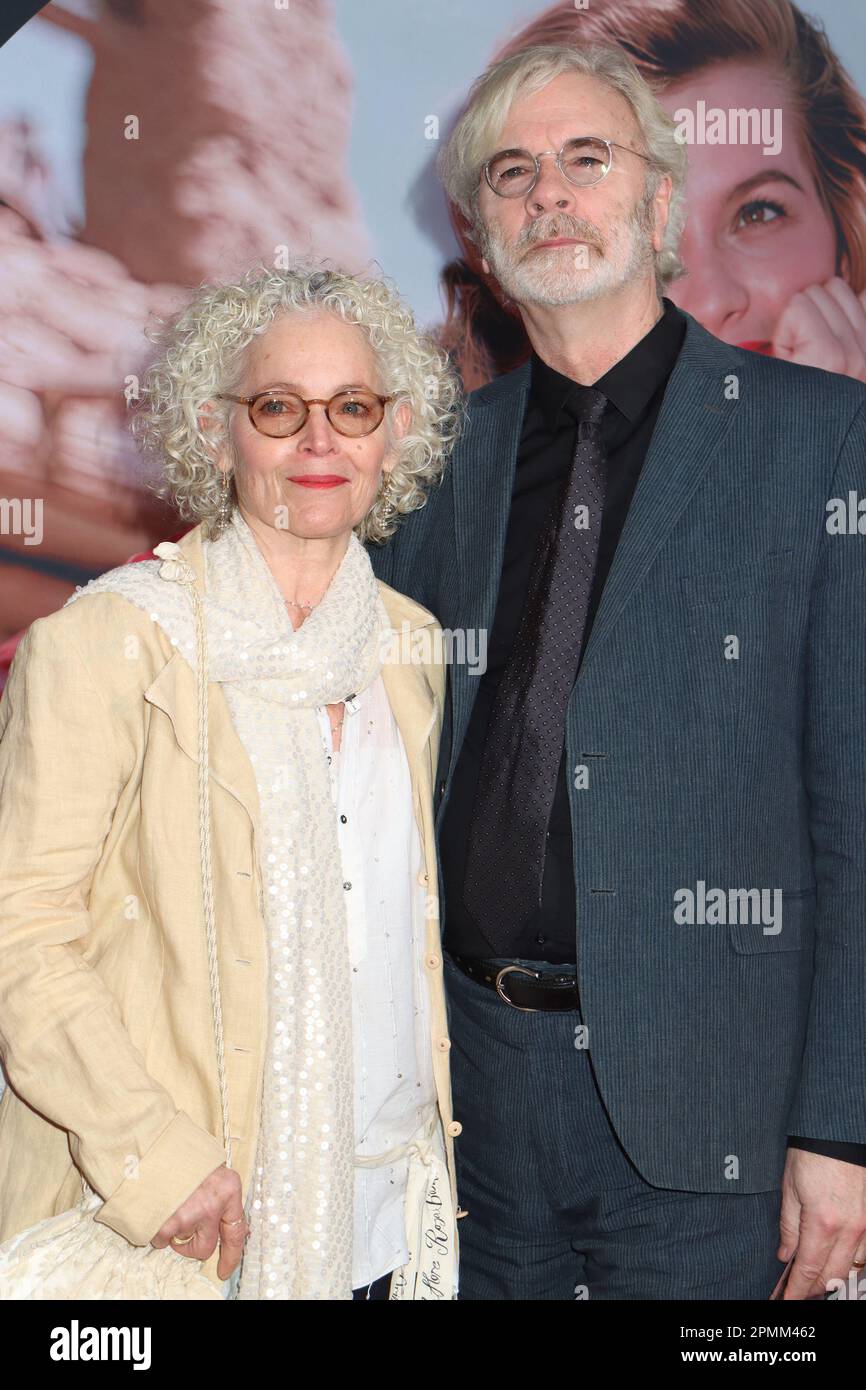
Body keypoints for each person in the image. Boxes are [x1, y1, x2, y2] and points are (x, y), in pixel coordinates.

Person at [367, 41, 866, 1300]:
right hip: (464, 1094)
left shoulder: (821, 442)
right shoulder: (431, 463)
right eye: (512, 173)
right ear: (482, 242)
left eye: (585, 160)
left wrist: (842, 1126)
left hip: (716, 1112)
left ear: (655, 205)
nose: (548, 192)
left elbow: (856, 813)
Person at [0, 263, 464, 1301]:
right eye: (277, 407)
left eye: (352, 407)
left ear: (394, 434)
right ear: (216, 433)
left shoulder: (410, 647)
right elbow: (19, 929)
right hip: (174, 1223)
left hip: (387, 1217)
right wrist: (152, 1156)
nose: (319, 441)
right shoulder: (108, 641)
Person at [439, 0, 866, 391]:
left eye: (758, 214)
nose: (714, 300)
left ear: (845, 221)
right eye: (651, 225)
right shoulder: (473, 441)